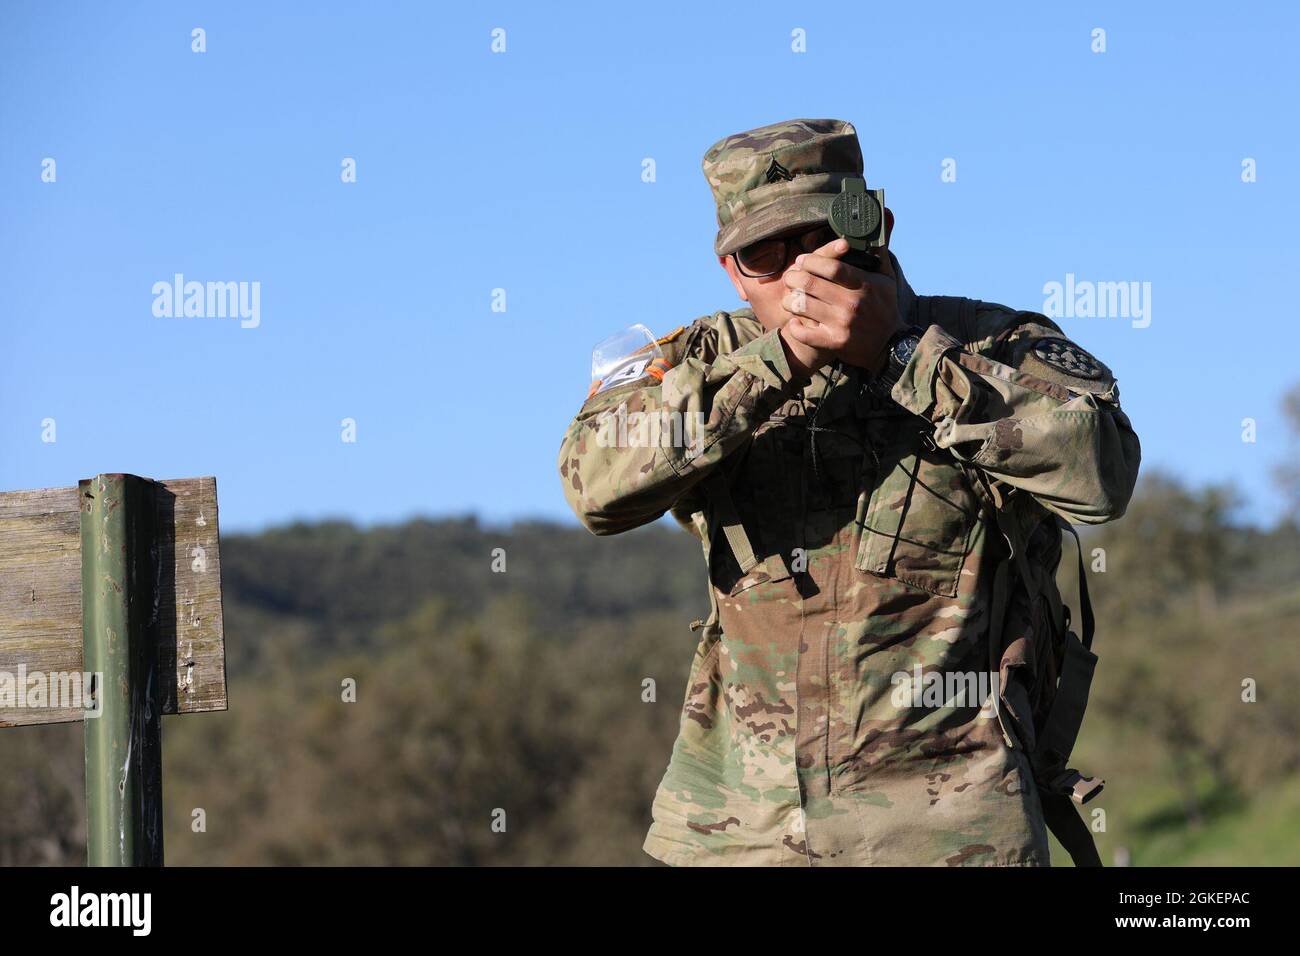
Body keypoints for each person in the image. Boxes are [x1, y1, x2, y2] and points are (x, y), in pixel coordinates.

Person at [557, 118, 1141, 866]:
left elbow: (1103, 474)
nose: (802, 270)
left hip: (947, 834)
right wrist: (778, 363)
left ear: (877, 228)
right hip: (735, 834)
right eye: (766, 254)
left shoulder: (994, 345)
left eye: (821, 235)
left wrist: (903, 358)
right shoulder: (701, 361)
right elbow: (595, 484)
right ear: (733, 272)